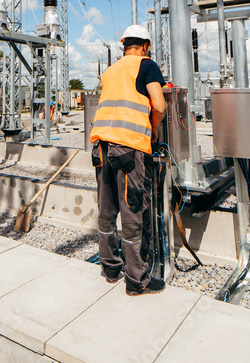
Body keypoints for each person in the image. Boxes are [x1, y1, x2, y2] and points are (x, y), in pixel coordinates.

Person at [90, 24, 167, 296]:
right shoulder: (146, 65)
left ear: (124, 45)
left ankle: (110, 268)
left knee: (106, 209)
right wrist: (155, 128)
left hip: (101, 146)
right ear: (145, 45)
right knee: (132, 211)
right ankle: (137, 280)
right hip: (128, 147)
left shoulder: (111, 70)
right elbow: (159, 105)